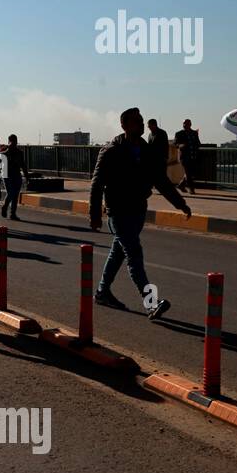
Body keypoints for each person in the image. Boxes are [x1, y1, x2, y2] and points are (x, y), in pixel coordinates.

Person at [89, 107, 192, 319]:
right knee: (134, 255)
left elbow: (161, 181)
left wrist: (180, 203)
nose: (142, 125)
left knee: (118, 252)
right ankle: (151, 303)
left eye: (142, 121)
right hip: (118, 212)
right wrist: (95, 214)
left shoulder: (147, 151)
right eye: (137, 122)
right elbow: (97, 183)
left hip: (137, 211)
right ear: (124, 125)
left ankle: (102, 292)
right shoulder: (111, 151)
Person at [0, 134, 25, 220]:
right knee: (11, 193)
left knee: (15, 195)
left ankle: (12, 213)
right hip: (7, 175)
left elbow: (23, 165)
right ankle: (5, 207)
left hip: (16, 175)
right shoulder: (4, 153)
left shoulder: (19, 153)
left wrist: (26, 175)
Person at [173, 119, 200, 195]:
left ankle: (181, 185)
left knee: (191, 173)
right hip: (184, 157)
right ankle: (191, 189)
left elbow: (198, 143)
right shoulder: (179, 133)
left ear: (190, 124)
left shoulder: (194, 133)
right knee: (188, 173)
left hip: (193, 156)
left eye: (186, 123)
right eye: (184, 123)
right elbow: (175, 144)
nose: (185, 125)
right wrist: (180, 145)